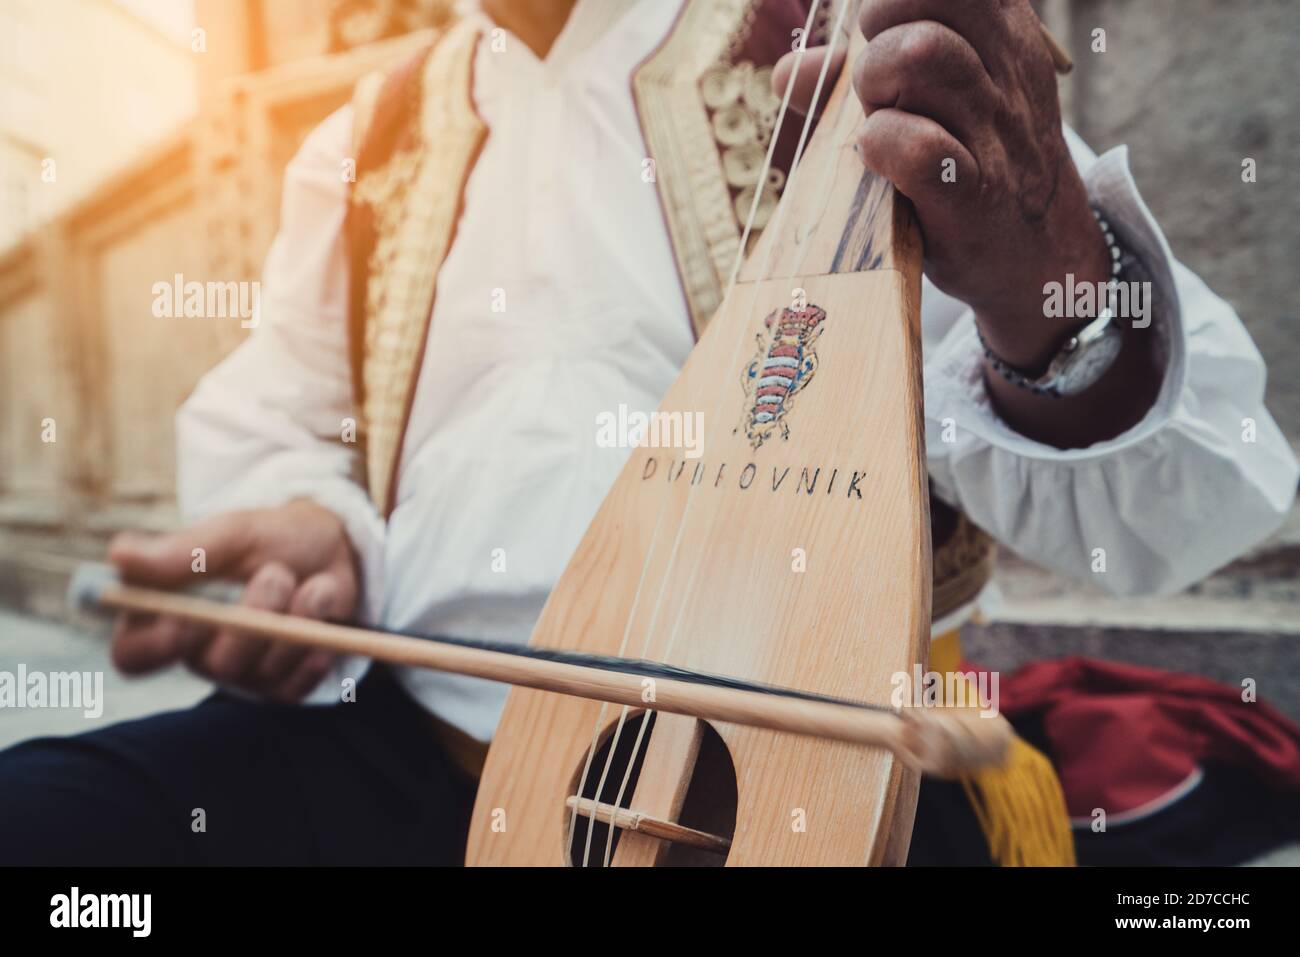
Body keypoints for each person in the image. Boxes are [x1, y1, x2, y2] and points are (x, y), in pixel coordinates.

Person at [1, 0, 1294, 865]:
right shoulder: (369, 132)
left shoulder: (839, 44)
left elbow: (1191, 505)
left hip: (803, 790)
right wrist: (310, 518)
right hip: (409, 746)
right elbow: (282, 411)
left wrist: (1048, 282)